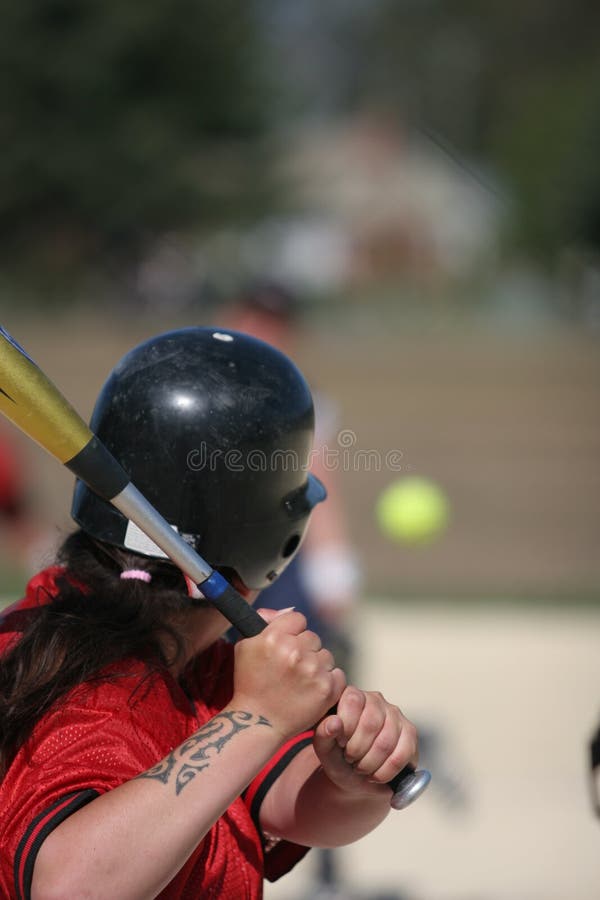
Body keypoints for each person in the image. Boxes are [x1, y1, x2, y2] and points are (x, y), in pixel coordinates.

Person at [0, 327, 419, 900]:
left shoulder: (177, 650)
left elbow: (292, 805)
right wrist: (256, 718)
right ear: (275, 539)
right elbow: (69, 887)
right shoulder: (88, 684)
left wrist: (351, 782)